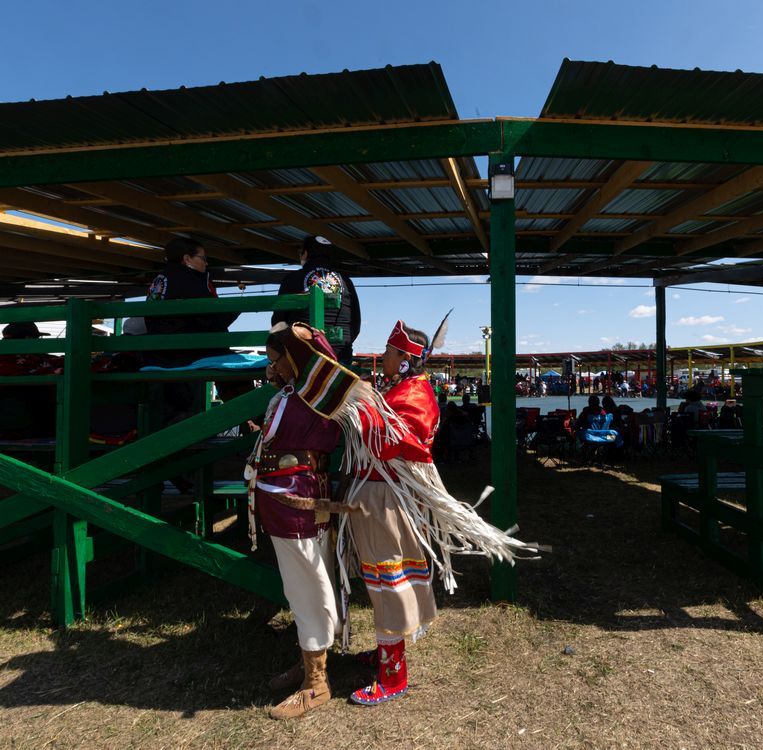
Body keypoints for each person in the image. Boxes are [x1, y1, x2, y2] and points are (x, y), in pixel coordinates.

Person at [260, 318, 538, 709]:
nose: (385, 357)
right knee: (380, 579)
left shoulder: (417, 395)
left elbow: (399, 442)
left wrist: (357, 404)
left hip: (384, 499)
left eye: (390, 353)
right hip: (374, 495)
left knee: (387, 579)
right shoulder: (402, 388)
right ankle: (384, 653)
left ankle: (394, 674)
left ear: (406, 359)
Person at [246, 324, 346, 720]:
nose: (271, 371)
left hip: (297, 501)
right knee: (300, 581)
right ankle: (311, 661)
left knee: (307, 581)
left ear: (293, 358)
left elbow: (325, 364)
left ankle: (317, 682)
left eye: (275, 361)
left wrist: (299, 338)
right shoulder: (294, 394)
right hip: (286, 499)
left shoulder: (317, 395)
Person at [144, 238, 240, 417]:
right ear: (187, 259)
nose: (206, 263)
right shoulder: (190, 281)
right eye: (202, 258)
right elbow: (214, 320)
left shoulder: (159, 280)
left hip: (157, 354)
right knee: (234, 368)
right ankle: (248, 417)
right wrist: (236, 310)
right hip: (184, 355)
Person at [271, 235, 361, 364]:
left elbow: (278, 321)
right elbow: (355, 324)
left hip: (303, 356)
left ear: (305, 254)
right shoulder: (346, 282)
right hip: (340, 356)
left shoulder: (292, 279)